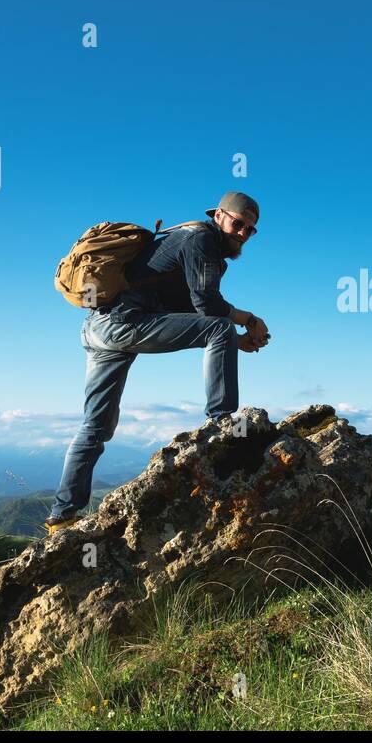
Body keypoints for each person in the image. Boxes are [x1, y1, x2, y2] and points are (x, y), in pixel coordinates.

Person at [47, 191, 270, 532]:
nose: (242, 233)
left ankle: (61, 517)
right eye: (238, 224)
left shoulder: (192, 241)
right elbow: (208, 306)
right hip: (122, 324)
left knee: (96, 427)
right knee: (219, 328)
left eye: (250, 230)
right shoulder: (201, 238)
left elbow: (189, 310)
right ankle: (221, 425)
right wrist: (249, 320)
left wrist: (234, 341)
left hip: (99, 327)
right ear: (219, 215)